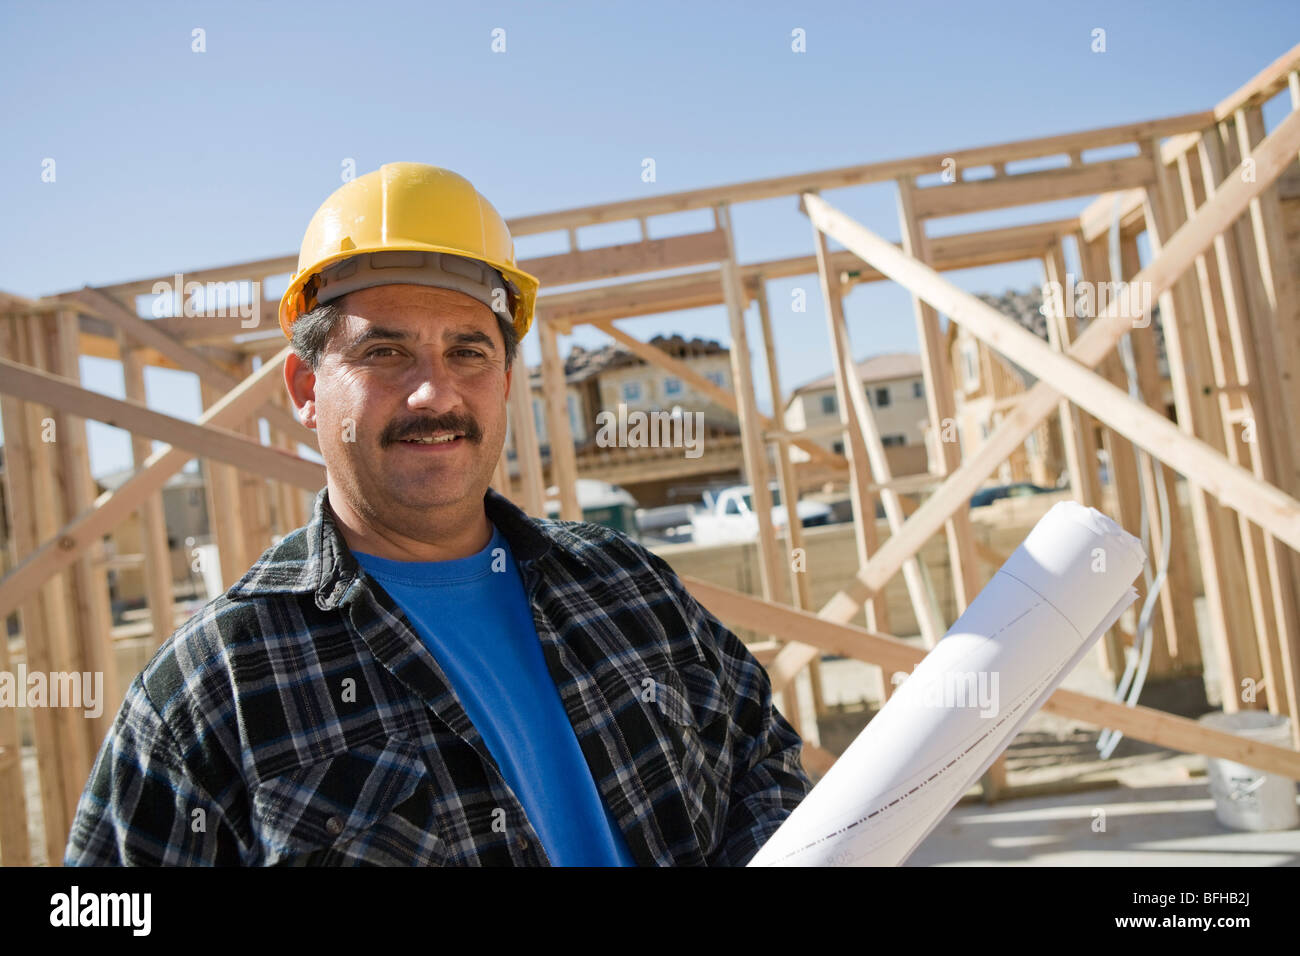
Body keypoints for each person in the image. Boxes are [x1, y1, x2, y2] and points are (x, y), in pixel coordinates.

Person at [64, 162, 811, 866]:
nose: (435, 394)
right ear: (304, 388)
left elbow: (761, 760)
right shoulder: (217, 683)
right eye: (386, 353)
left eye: (468, 352)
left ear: (506, 379)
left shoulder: (627, 586)